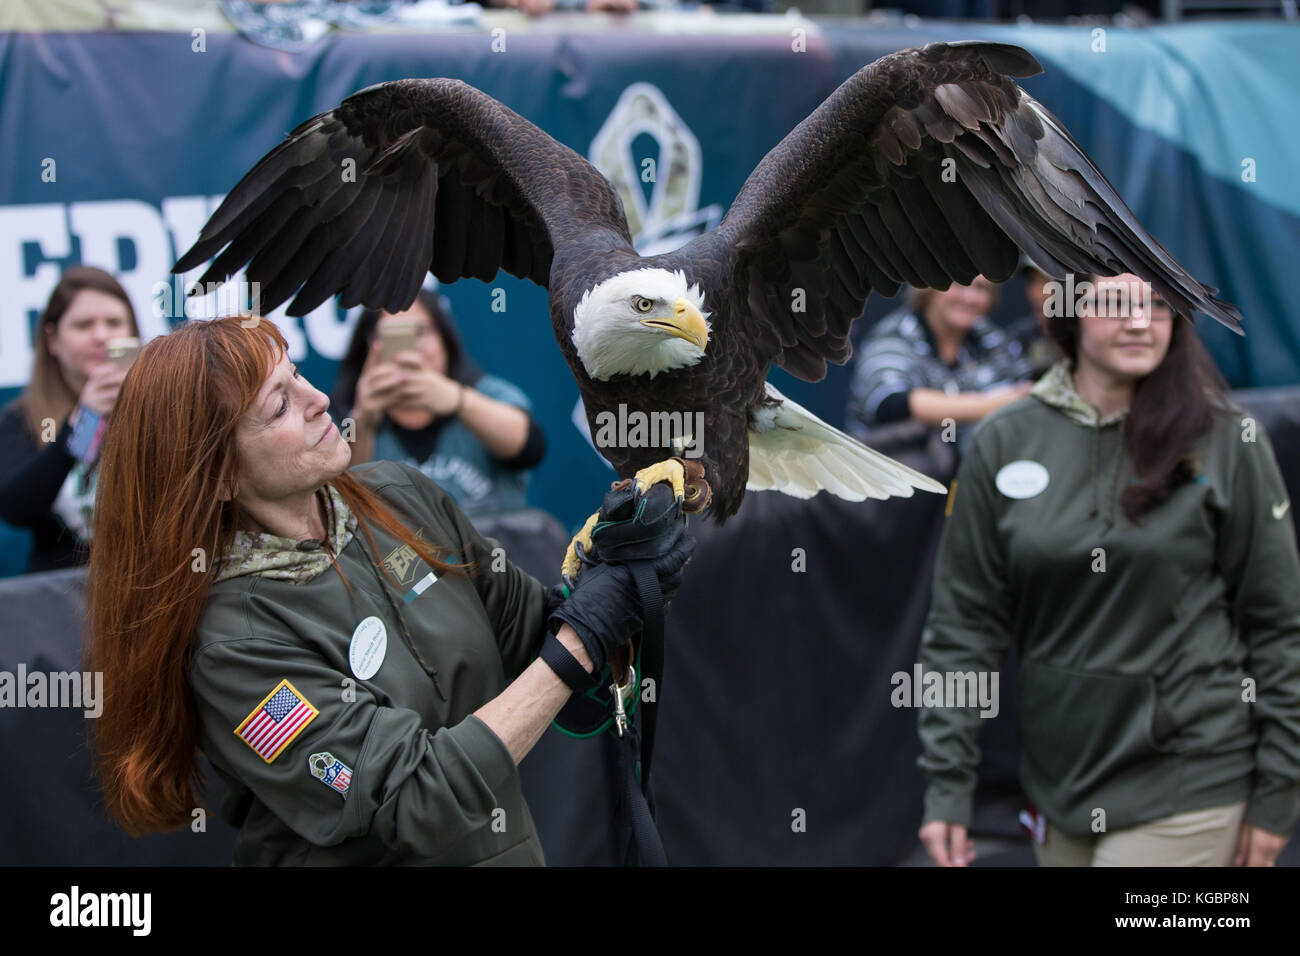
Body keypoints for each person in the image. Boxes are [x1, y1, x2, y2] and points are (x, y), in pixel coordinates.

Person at [86, 315, 694, 865]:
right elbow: (417, 798)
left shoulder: (399, 495)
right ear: (218, 475)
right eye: (279, 406)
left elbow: (543, 644)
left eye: (298, 374)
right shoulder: (232, 647)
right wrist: (581, 641)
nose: (320, 399)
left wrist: (621, 577)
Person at [916, 274, 1300, 867]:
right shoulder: (1003, 440)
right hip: (1057, 782)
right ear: (1063, 310)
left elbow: (1279, 623)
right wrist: (947, 784)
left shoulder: (1227, 438)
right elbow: (962, 628)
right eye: (1117, 303)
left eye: (1160, 305)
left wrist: (1279, 792)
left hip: (1192, 774)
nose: (1141, 320)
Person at [333, 288, 545, 516]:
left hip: (492, 548)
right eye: (393, 334)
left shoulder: (485, 392)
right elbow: (344, 504)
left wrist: (457, 400)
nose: (412, 347)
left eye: (420, 331)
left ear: (444, 337)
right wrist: (364, 420)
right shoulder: (347, 420)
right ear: (370, 347)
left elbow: (529, 447)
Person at [0, 266, 139, 573]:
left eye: (114, 323)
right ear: (53, 339)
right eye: (84, 325)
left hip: (147, 588)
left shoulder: (162, 408)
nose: (101, 336)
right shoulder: (21, 418)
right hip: (59, 600)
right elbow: (16, 507)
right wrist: (85, 422)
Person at [845, 276, 1034, 467]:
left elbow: (1027, 390)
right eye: (959, 285)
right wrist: (993, 404)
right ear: (929, 288)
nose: (969, 297)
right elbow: (890, 404)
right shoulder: (895, 334)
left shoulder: (988, 338)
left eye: (981, 288)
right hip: (890, 473)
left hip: (975, 474)